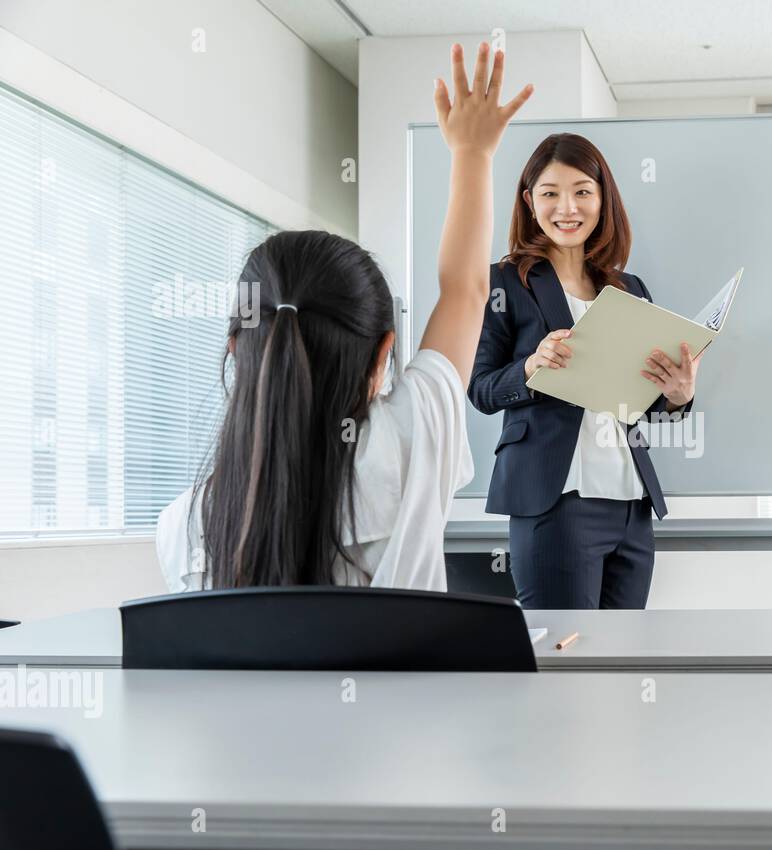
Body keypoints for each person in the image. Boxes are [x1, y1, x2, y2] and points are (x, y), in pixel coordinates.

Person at [156, 42, 532, 591]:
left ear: (237, 350)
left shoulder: (183, 526)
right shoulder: (412, 436)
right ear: (384, 353)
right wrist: (471, 152)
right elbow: (467, 291)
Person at [469, 133, 699, 609]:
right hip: (555, 501)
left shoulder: (628, 287)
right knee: (566, 659)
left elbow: (647, 401)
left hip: (631, 503)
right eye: (550, 193)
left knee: (622, 659)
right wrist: (531, 367)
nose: (566, 207)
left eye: (581, 192)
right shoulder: (506, 282)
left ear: (602, 198)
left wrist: (677, 395)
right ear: (530, 202)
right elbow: (481, 388)